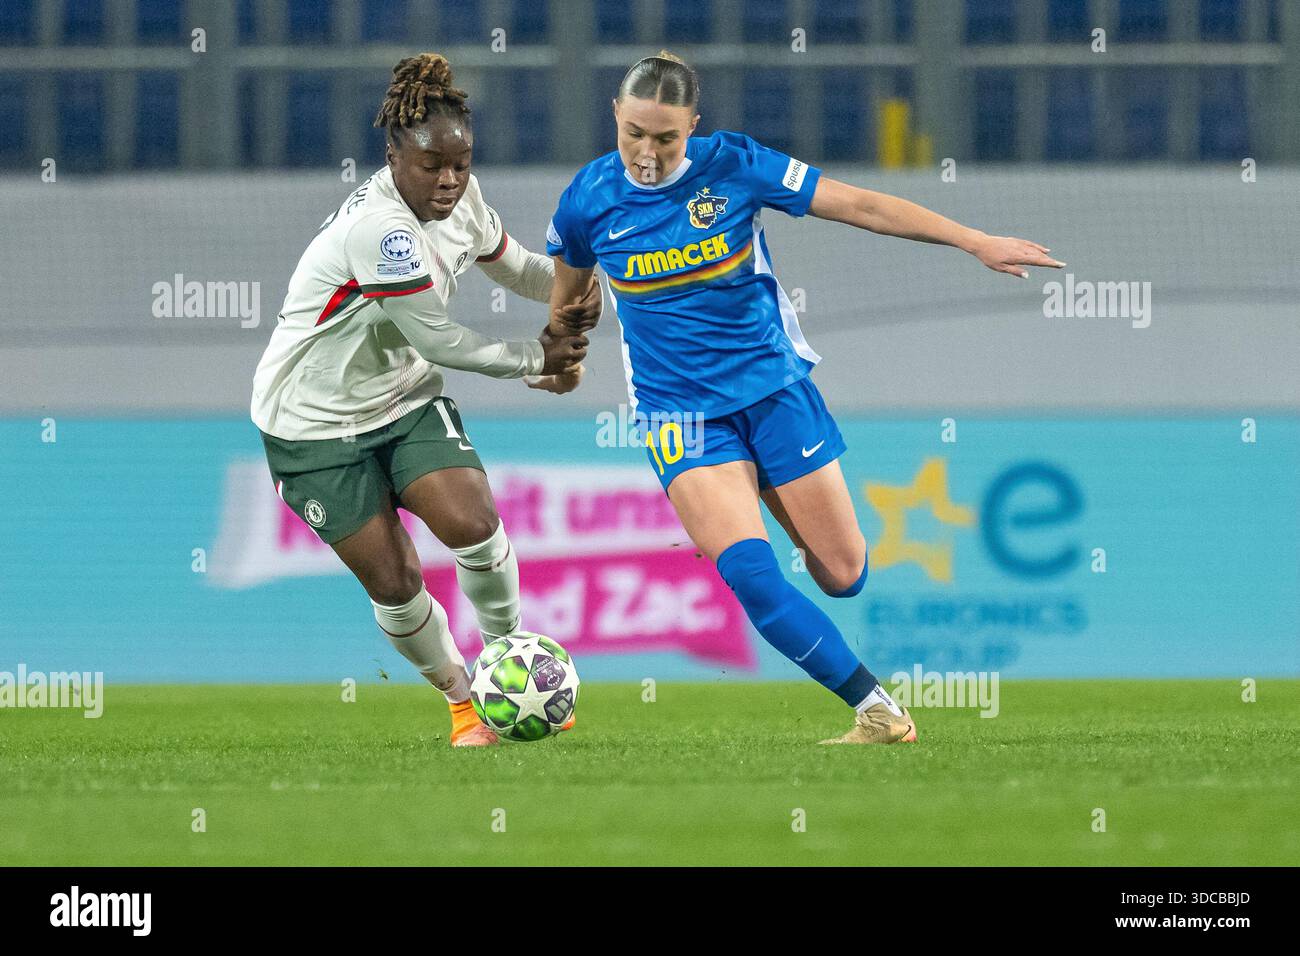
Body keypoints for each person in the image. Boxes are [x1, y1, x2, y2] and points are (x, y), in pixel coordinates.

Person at [541, 51, 1063, 744]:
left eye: (665, 138)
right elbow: (570, 298)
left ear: (693, 127)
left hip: (776, 393)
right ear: (615, 114)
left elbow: (860, 204)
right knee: (754, 579)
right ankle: (877, 710)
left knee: (843, 574)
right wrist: (562, 357)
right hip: (683, 418)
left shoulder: (737, 166)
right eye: (634, 132)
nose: (647, 152)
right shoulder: (588, 199)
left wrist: (974, 241)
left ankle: (754, 494)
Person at [250, 53, 595, 747]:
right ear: (392, 156)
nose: (449, 180)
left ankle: (508, 665)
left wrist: (589, 285)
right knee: (397, 580)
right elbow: (438, 339)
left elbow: (523, 269)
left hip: (401, 398)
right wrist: (540, 358)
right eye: (432, 165)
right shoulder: (380, 230)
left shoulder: (461, 200)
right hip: (309, 425)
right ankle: (465, 704)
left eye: (462, 164)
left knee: (471, 519)